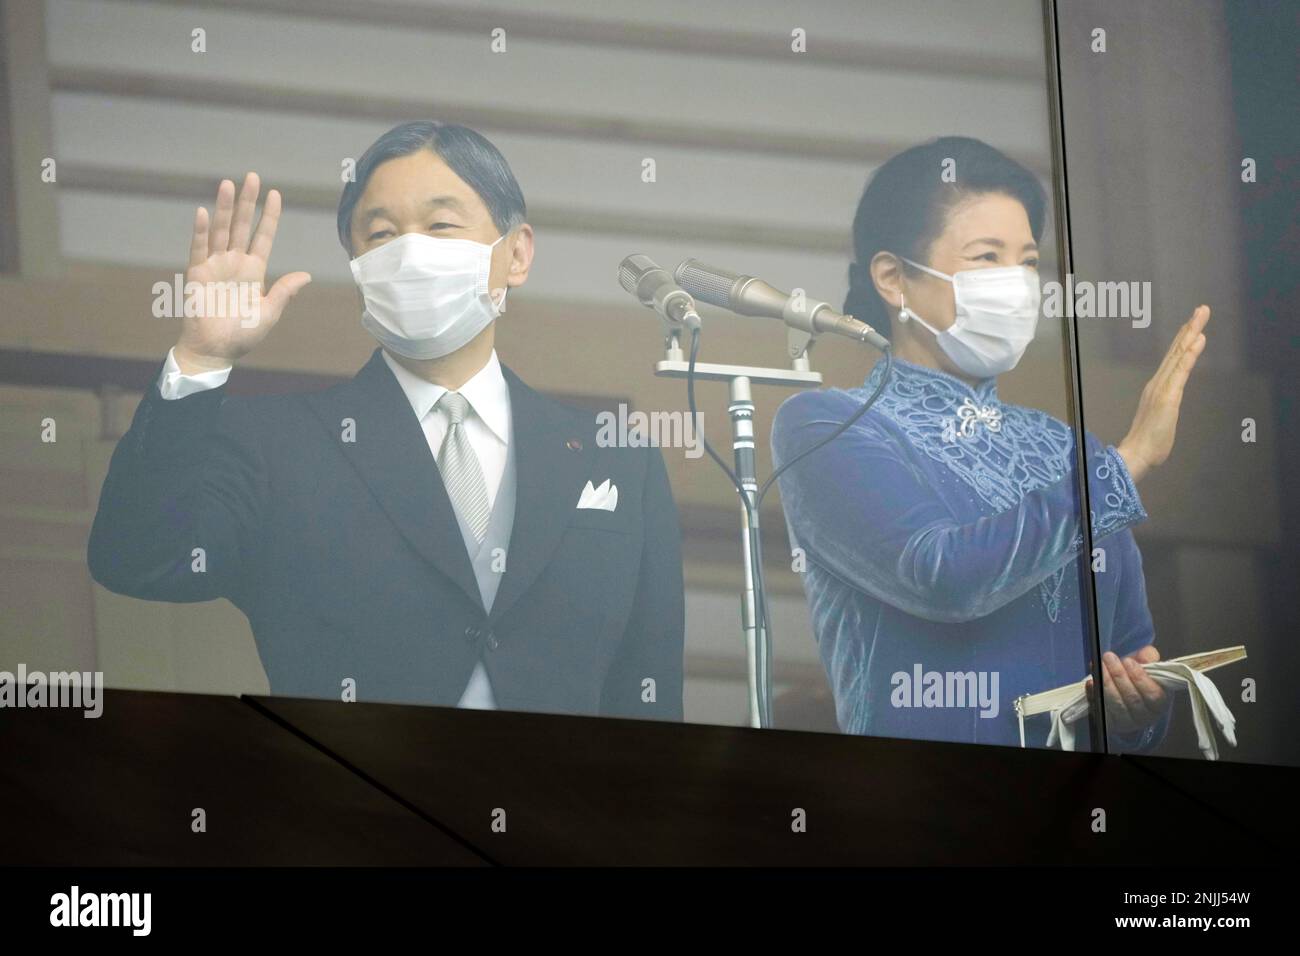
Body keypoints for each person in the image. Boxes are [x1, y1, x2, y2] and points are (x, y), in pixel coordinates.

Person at [88, 121, 684, 719]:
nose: (410, 250)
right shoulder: (278, 446)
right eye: (380, 233)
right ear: (356, 266)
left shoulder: (618, 461)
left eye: (441, 225)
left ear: (517, 252)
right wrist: (201, 358)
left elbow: (651, 694)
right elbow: (139, 559)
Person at [772, 136, 1209, 750]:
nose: (1017, 283)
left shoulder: (1069, 451)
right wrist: (1129, 461)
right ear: (894, 278)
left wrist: (1136, 712)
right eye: (986, 257)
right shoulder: (831, 425)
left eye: (1028, 262)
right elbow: (942, 576)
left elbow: (1131, 650)